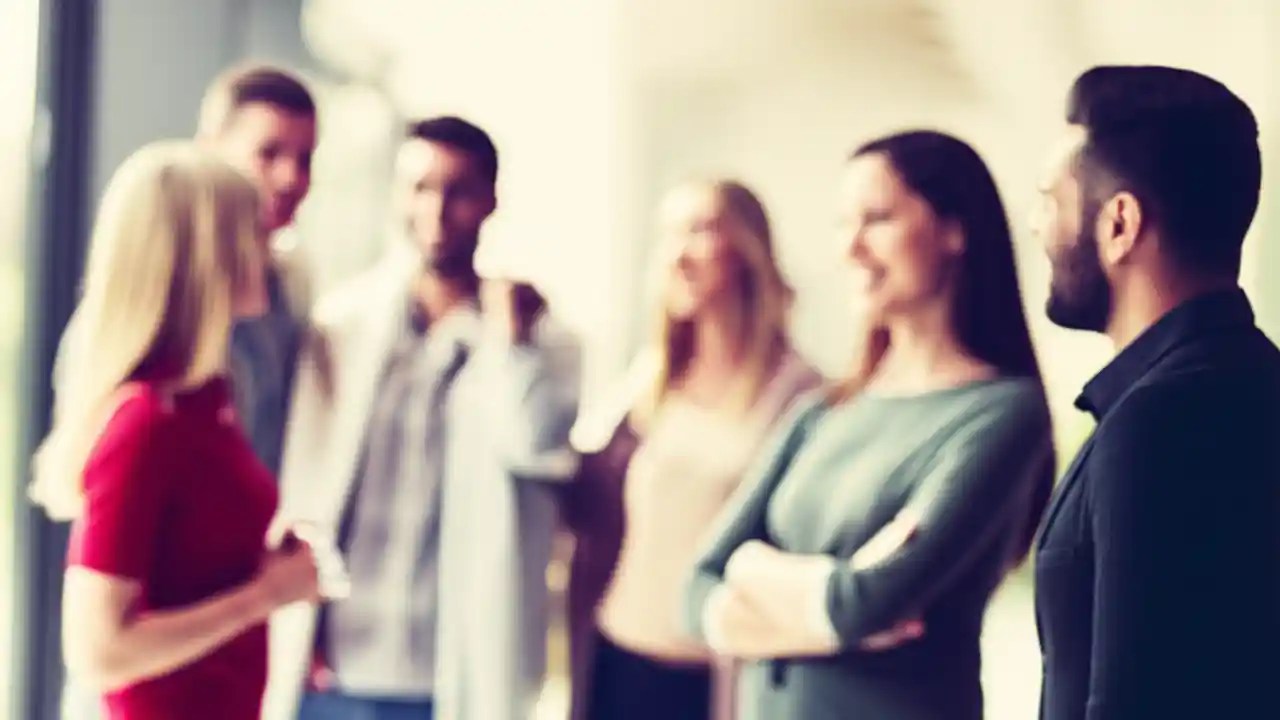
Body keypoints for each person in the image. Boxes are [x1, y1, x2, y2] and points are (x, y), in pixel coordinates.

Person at [681, 131, 1055, 720]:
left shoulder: (1002, 413)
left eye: (877, 219)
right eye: (843, 224)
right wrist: (829, 609)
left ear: (954, 231)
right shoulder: (822, 411)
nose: (849, 248)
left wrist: (755, 576)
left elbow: (865, 603)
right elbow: (696, 589)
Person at [263, 116, 580, 720]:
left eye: (458, 191)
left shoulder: (541, 337)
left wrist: (512, 343)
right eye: (419, 188)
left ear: (490, 201)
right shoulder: (342, 324)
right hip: (331, 669)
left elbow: (537, 446)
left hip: (448, 673)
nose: (435, 211)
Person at [30, 141, 323, 720]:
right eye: (253, 232)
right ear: (209, 254)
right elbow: (99, 652)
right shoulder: (144, 422)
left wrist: (262, 563)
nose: (269, 248)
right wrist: (266, 594)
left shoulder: (206, 401)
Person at [1031, 65, 1280, 720]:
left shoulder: (1164, 418)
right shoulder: (1242, 380)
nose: (1035, 227)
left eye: (1051, 202)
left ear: (1120, 223)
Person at [563, 180, 822, 720]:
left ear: (747, 248)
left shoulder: (799, 395)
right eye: (669, 233)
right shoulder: (651, 378)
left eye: (700, 230)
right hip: (617, 658)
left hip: (712, 678)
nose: (677, 254)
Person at [54, 64, 318, 478]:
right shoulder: (147, 302)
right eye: (268, 153)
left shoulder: (293, 288)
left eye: (305, 159)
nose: (291, 178)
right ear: (209, 149)